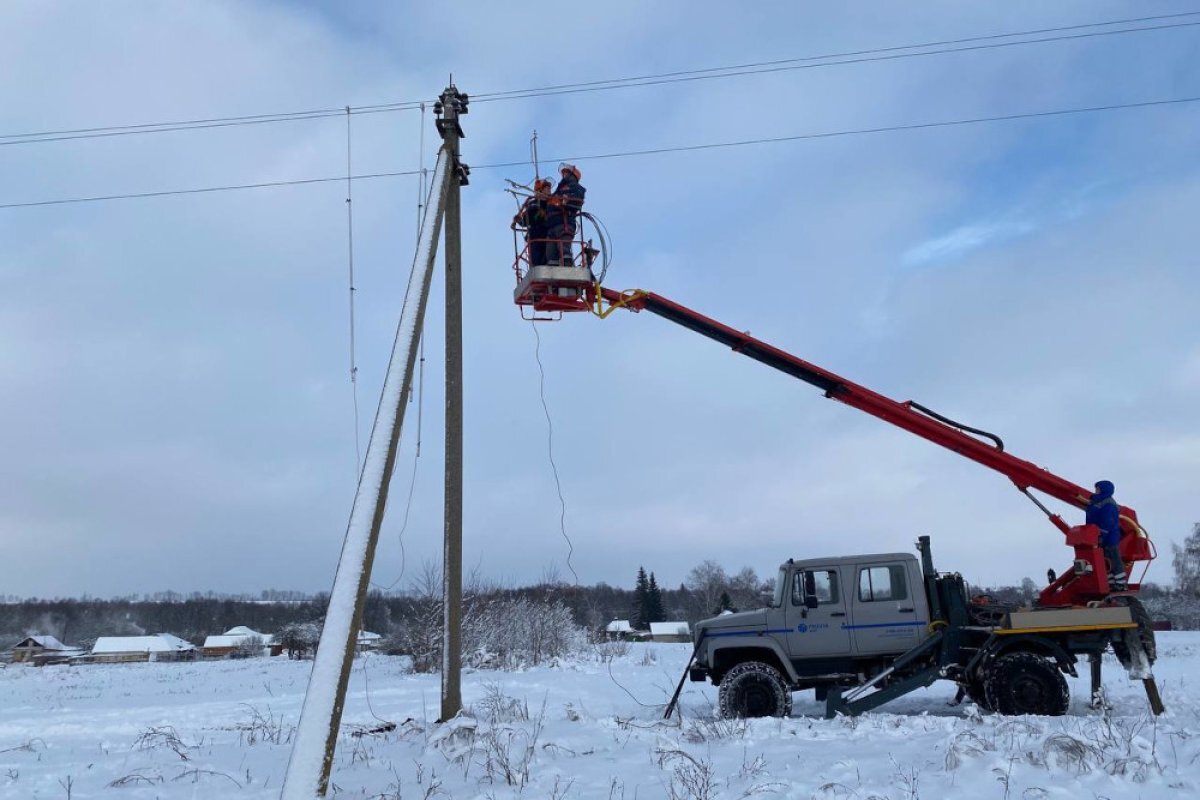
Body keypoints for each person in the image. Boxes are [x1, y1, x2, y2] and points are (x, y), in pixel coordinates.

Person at [1086, 479, 1126, 591]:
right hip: (1098, 536)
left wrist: (1101, 536)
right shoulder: (1096, 501)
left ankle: (1120, 583)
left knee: (1114, 559)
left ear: (1104, 490)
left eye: (1098, 489)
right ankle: (1111, 583)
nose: (1096, 491)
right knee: (1105, 562)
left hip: (1109, 538)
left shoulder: (1108, 503)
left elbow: (1107, 522)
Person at [545, 162, 586, 266]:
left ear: (572, 175)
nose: (564, 175)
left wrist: (564, 201)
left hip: (564, 223)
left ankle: (567, 263)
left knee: (564, 250)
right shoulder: (559, 189)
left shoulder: (575, 187)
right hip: (552, 225)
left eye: (566, 172)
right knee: (551, 253)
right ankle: (552, 268)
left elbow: (576, 200)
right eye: (563, 173)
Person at [512, 178, 552, 267]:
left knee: (549, 257)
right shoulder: (533, 205)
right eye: (547, 189)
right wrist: (519, 221)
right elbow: (526, 221)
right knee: (537, 260)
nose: (549, 191)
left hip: (549, 235)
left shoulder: (553, 205)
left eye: (549, 189)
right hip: (536, 235)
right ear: (540, 191)